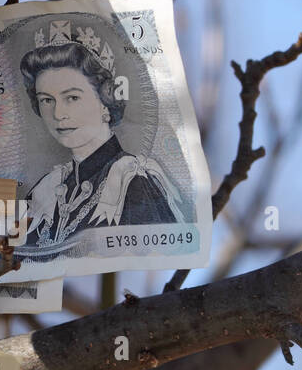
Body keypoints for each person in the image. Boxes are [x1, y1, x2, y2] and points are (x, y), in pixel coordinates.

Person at [19, 31, 184, 246]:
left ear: (105, 101)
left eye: (72, 98)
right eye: (47, 100)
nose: (58, 114)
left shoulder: (133, 182)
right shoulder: (47, 189)